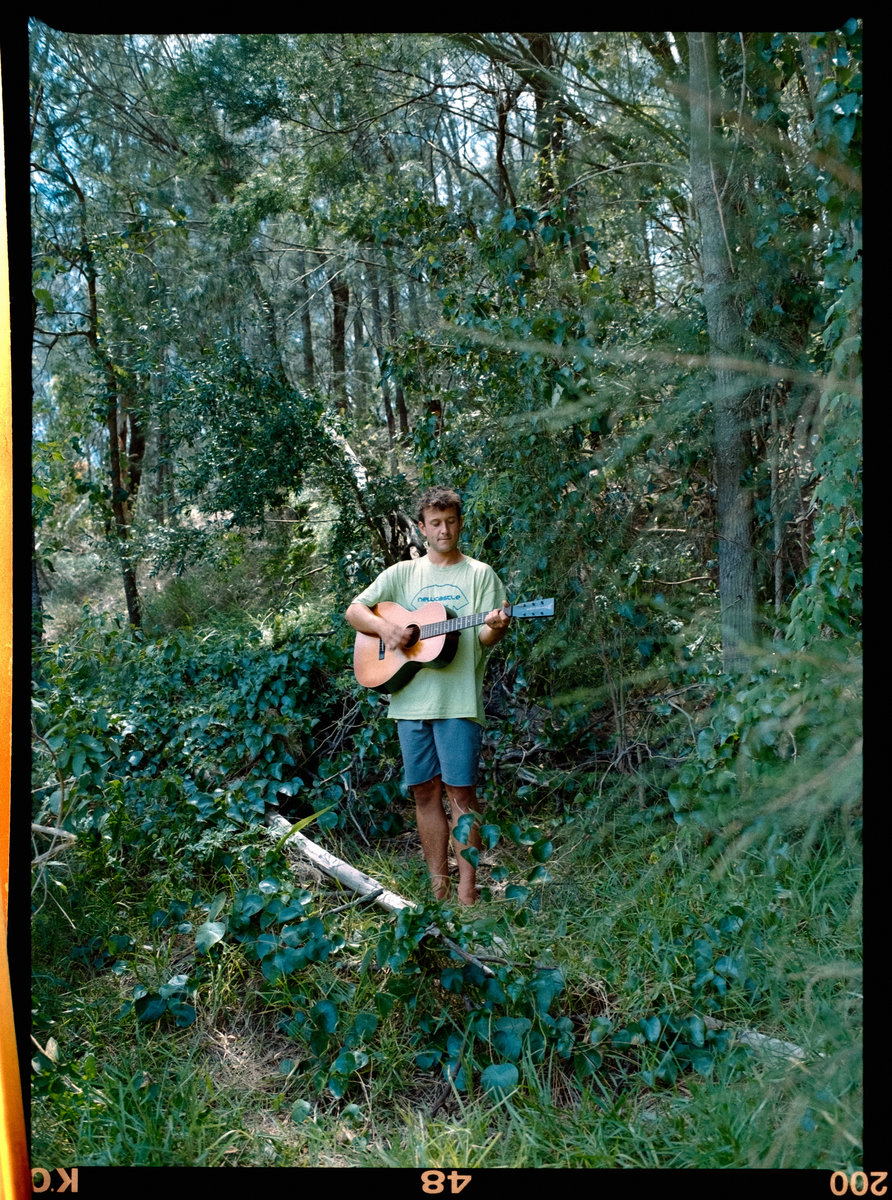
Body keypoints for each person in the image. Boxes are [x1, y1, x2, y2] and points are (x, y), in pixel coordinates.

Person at [345, 486, 511, 904]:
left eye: (451, 521)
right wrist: (386, 629)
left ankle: (468, 892)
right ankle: (438, 890)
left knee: (462, 795)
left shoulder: (480, 575)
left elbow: (485, 638)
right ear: (421, 527)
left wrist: (496, 627)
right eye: (435, 523)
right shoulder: (403, 574)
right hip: (410, 702)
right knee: (423, 793)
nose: (444, 530)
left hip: (458, 700)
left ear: (460, 523)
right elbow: (355, 611)